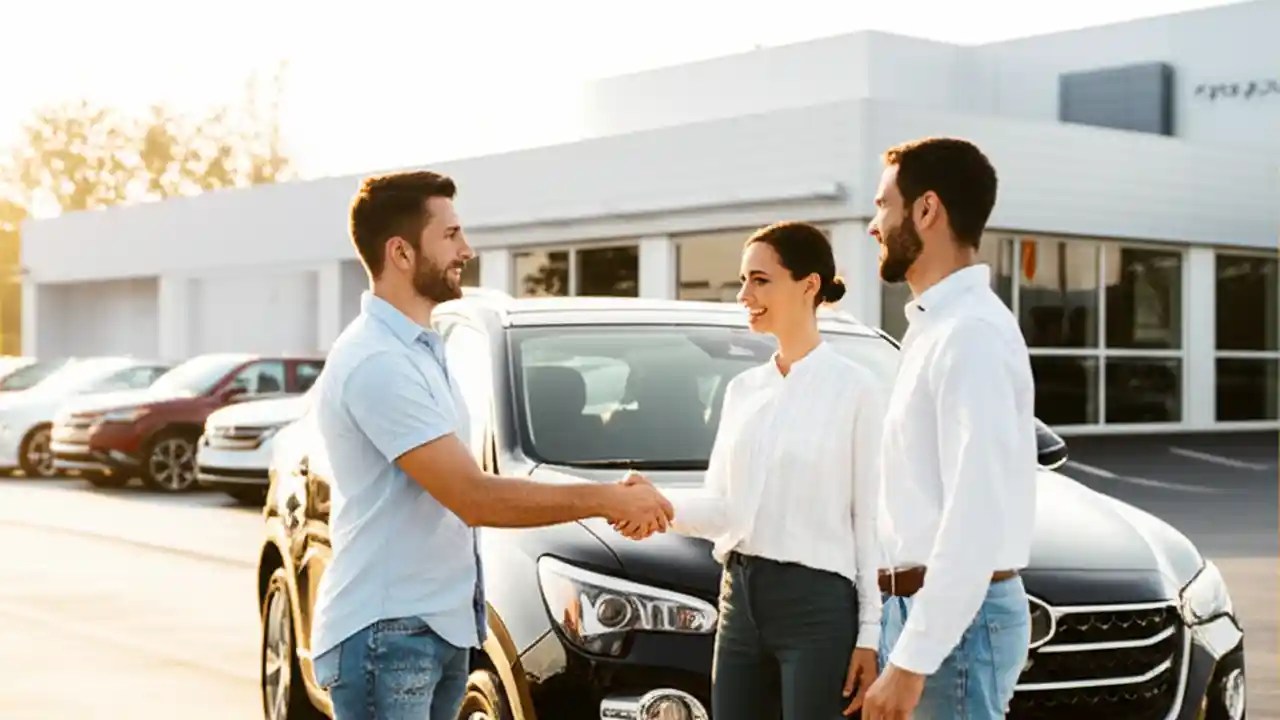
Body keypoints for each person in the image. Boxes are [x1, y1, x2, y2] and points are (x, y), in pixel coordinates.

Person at [307, 170, 674, 720]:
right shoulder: (379, 362)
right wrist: (607, 499)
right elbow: (472, 495)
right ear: (401, 252)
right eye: (451, 235)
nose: (467, 250)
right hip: (389, 637)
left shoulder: (420, 351)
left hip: (430, 630)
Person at [618, 221, 886, 719]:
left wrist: (869, 635)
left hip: (817, 607)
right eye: (743, 280)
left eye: (760, 280)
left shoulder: (857, 390)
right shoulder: (743, 391)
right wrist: (655, 505)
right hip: (738, 600)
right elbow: (725, 508)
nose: (744, 294)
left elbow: (867, 521)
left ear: (809, 285)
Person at [861, 137, 1037, 720]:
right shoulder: (936, 328)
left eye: (883, 205)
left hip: (955, 625)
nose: (873, 225)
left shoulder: (969, 334)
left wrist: (913, 661)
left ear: (926, 209)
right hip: (925, 613)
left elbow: (975, 511)